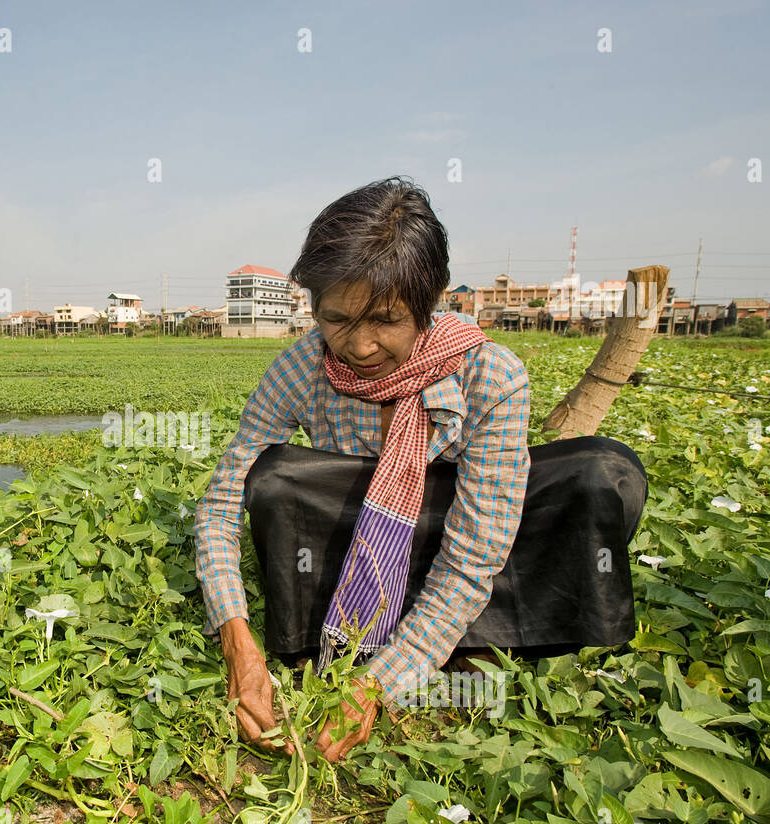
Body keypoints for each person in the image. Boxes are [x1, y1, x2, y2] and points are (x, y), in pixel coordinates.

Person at [193, 176, 647, 763]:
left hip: (463, 545)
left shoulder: (492, 375)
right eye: (337, 320)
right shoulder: (301, 367)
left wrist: (376, 686)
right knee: (273, 479)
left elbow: (474, 553)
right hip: (366, 545)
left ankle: (439, 642)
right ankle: (403, 637)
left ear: (428, 302)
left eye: (384, 319)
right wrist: (238, 642)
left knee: (599, 475)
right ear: (313, 306)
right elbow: (222, 501)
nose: (359, 347)